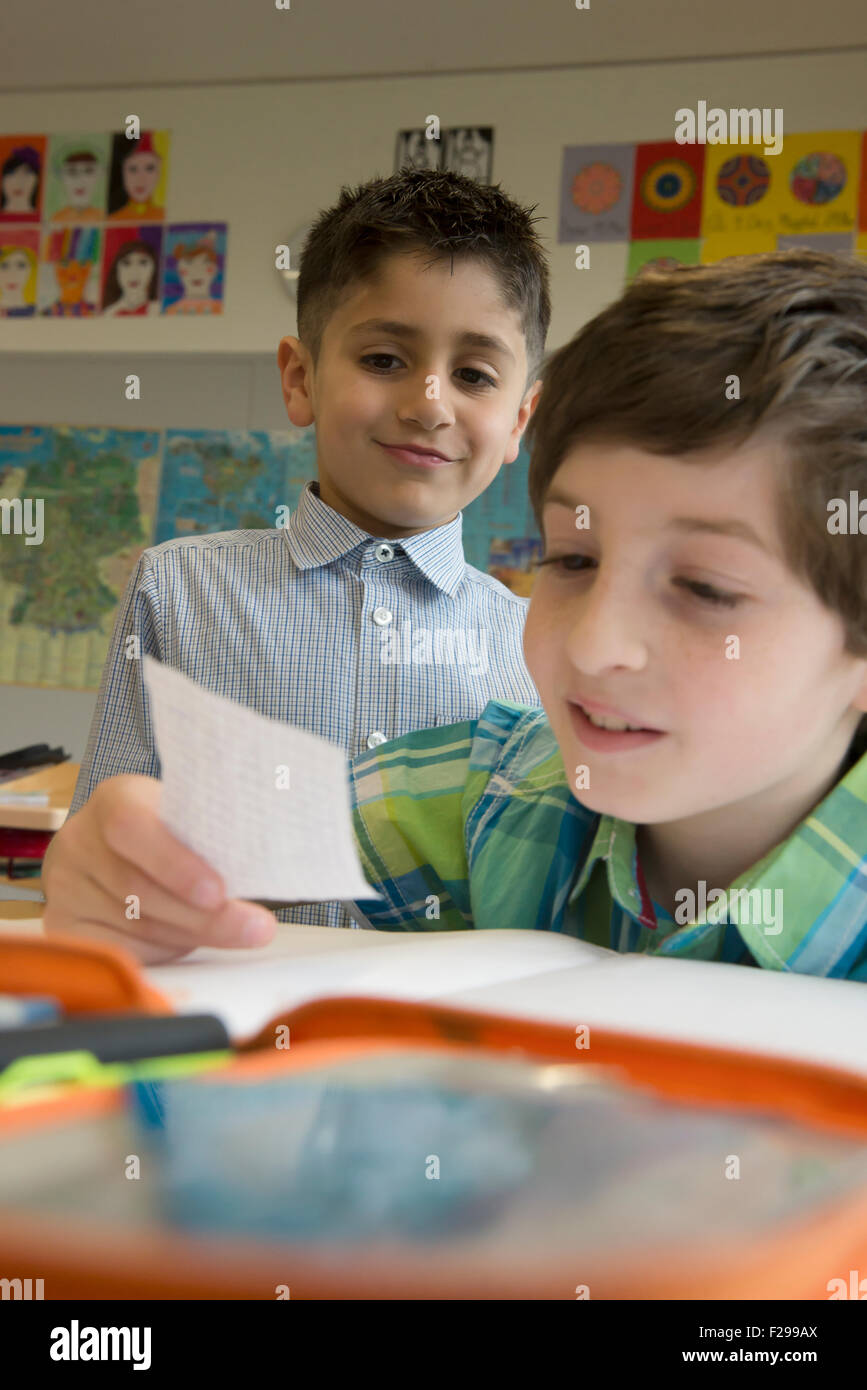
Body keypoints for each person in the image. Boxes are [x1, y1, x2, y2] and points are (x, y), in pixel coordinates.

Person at [43, 166, 548, 954]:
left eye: (474, 374)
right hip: (217, 1041)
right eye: (383, 359)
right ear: (300, 376)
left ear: (519, 419)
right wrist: (92, 872)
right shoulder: (179, 587)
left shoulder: (540, 643)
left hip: (441, 1050)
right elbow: (102, 841)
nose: (428, 403)